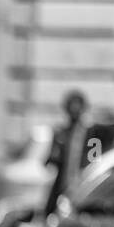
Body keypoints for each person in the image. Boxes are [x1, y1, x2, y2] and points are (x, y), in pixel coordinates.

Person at [44, 89, 91, 217]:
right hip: (62, 188)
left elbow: (95, 159)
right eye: (72, 107)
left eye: (78, 107)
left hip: (83, 188)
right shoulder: (61, 133)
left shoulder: (91, 134)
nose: (75, 111)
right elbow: (50, 162)